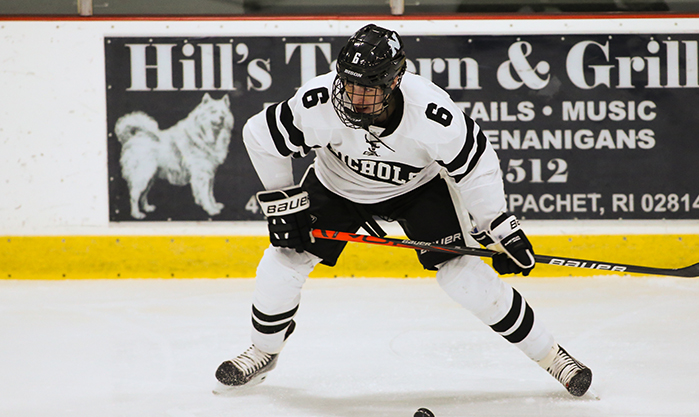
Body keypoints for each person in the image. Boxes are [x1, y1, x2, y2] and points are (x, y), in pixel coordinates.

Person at [215, 24, 592, 397]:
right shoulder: (319, 101)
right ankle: (264, 352)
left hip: (417, 189)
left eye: (366, 88)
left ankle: (551, 356)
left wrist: (499, 227)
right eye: (348, 83)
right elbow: (259, 135)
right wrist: (284, 205)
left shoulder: (431, 113)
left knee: (463, 277)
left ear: (393, 83)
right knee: (281, 264)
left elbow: (476, 165)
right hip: (337, 186)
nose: (352, 96)